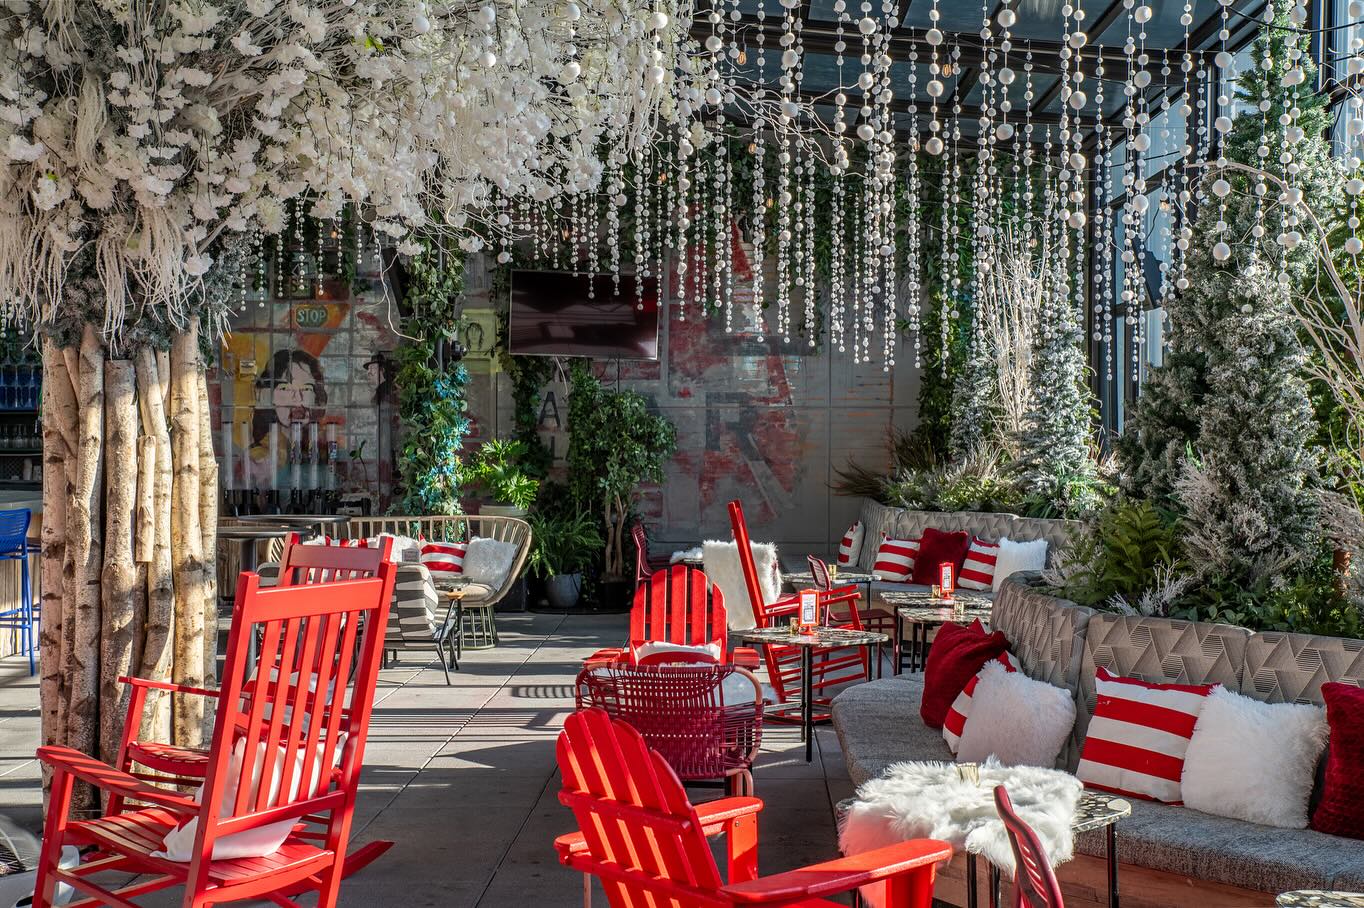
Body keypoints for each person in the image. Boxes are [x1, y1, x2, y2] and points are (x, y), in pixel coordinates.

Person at [247, 349, 328, 489]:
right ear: (270, 395)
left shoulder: (326, 449)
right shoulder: (257, 460)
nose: (298, 399)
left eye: (307, 388)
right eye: (285, 389)